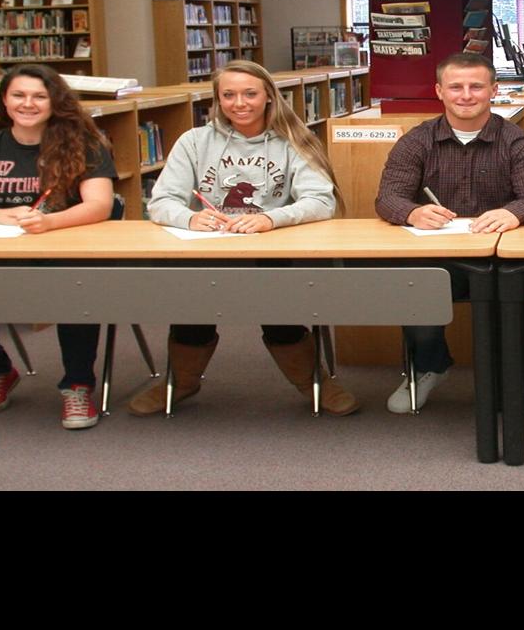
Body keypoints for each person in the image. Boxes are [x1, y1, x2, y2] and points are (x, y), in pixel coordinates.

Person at [131, 60, 359, 416]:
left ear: (268, 96)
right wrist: (191, 218)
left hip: (270, 250)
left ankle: (313, 382)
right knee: (193, 305)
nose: (240, 103)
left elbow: (322, 201)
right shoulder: (194, 141)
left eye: (250, 93)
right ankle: (181, 381)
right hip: (208, 249)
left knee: (278, 308)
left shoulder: (293, 141)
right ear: (217, 100)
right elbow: (160, 202)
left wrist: (271, 218)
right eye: (229, 95)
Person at [375, 51, 524, 412]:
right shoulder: (417, 142)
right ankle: (429, 365)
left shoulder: (517, 142)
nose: (466, 95)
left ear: (493, 91)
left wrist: (513, 212)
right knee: (406, 282)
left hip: (509, 259)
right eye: (456, 87)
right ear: (440, 91)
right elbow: (388, 198)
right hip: (444, 259)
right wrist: (413, 212)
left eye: (476, 86)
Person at [0, 63, 117, 430]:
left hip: (68, 253)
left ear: (54, 102)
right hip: (4, 252)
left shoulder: (84, 144)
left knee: (77, 289)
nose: (27, 103)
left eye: (38, 96)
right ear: (4, 100)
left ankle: (77, 385)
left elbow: (99, 205)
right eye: (18, 95)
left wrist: (50, 221)